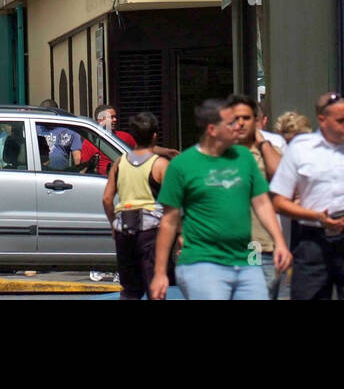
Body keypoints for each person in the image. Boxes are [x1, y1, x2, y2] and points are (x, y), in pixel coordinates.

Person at [150, 98, 291, 300]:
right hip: (202, 263)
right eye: (231, 123)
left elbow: (261, 202)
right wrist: (160, 272)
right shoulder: (181, 165)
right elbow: (169, 221)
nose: (238, 126)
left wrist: (280, 242)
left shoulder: (243, 157)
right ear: (212, 130)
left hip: (246, 262)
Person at [269, 93, 344, 300]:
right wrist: (316, 216)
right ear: (322, 120)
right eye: (341, 120)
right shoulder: (300, 149)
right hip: (312, 241)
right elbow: (279, 202)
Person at [102, 112, 171, 299]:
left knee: (130, 290)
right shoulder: (160, 165)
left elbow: (107, 199)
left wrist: (113, 223)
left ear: (133, 136)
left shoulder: (119, 163)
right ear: (155, 136)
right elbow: (173, 204)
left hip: (124, 229)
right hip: (151, 232)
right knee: (154, 288)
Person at [227, 94, 286, 297]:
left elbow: (281, 176)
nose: (241, 123)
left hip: (263, 245)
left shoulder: (270, 149)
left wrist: (263, 144)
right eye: (235, 119)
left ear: (257, 121)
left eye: (246, 118)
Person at [36, 99, 81, 170]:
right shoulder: (34, 127)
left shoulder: (68, 130)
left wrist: (78, 173)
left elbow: (77, 156)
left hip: (61, 173)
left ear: (56, 113)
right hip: (39, 172)